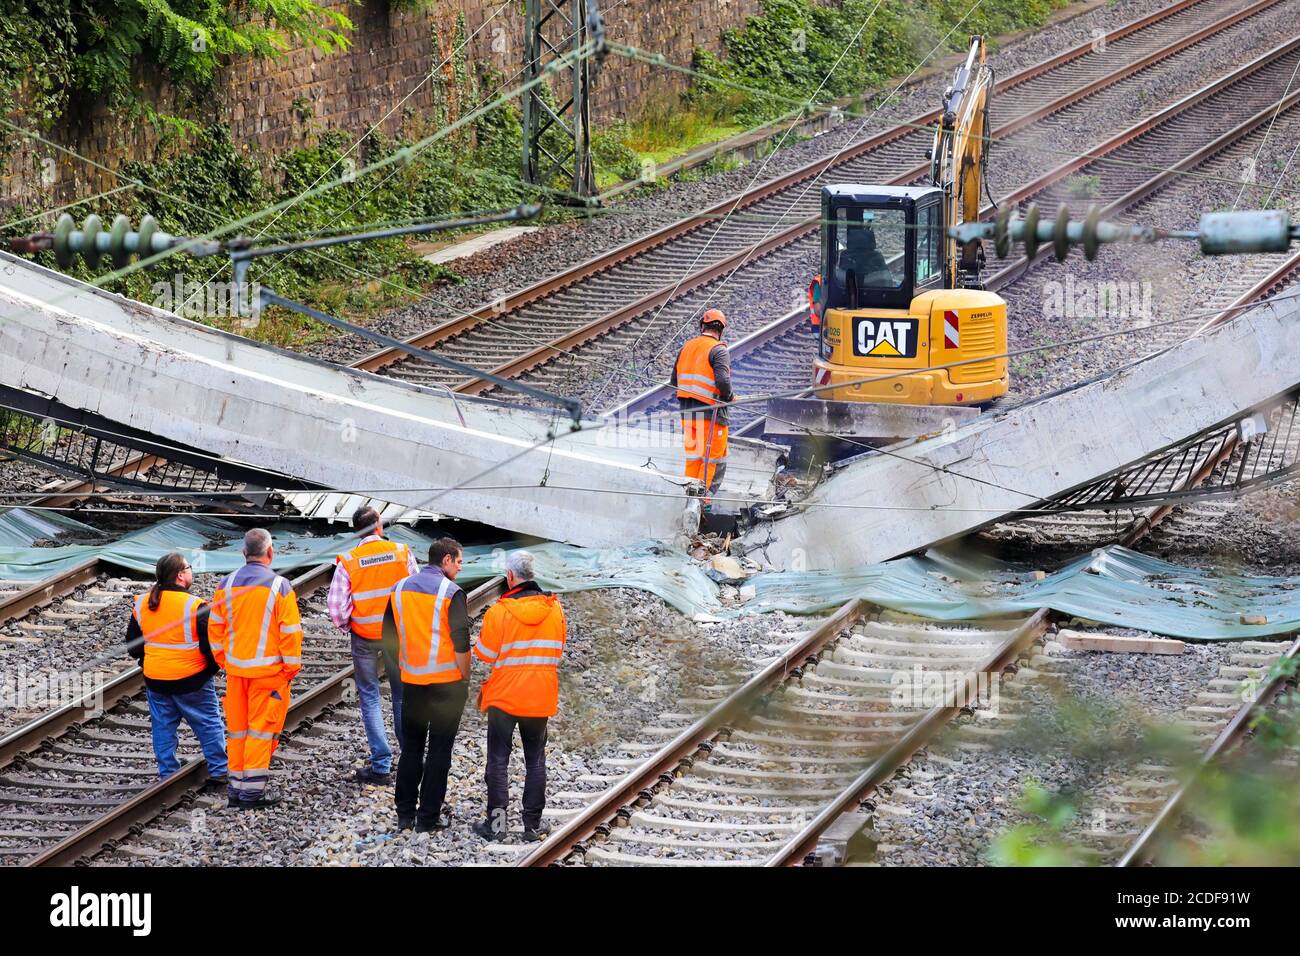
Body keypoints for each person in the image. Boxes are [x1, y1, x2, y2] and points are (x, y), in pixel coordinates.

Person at [470, 550, 565, 842]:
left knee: (498, 759)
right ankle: (532, 826)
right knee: (535, 759)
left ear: (510, 577)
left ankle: (497, 826)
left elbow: (485, 655)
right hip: (539, 696)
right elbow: (557, 651)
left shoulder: (499, 611)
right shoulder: (555, 609)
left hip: (504, 696)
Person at [209, 528, 303, 810]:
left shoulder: (225, 584)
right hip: (269, 675)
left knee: (237, 731)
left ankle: (236, 790)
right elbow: (290, 632)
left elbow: (215, 629)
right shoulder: (280, 586)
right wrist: (291, 668)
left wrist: (225, 661)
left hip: (237, 674)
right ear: (270, 553)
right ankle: (251, 794)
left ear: (244, 554)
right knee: (261, 732)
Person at [383, 536, 470, 833]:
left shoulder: (398, 589)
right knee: (439, 752)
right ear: (445, 560)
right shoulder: (452, 592)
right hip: (447, 685)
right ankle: (427, 818)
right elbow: (461, 642)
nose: (460, 567)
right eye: (458, 561)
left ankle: (404, 814)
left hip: (413, 683)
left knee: (411, 749)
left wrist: (405, 667)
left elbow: (389, 638)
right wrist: (465, 677)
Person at [328, 505, 417, 785]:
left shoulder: (349, 560)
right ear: (379, 526)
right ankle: (411, 758)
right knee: (402, 696)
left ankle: (381, 766)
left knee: (369, 697)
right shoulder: (402, 552)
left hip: (364, 637)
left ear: (357, 531)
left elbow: (337, 608)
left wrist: (349, 626)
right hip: (396, 635)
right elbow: (416, 591)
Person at [125, 552, 228, 784]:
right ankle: (220, 770)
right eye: (189, 568)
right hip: (192, 679)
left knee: (163, 726)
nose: (192, 571)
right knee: (208, 722)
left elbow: (133, 646)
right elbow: (211, 647)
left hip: (156, 679)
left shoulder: (142, 603)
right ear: (181, 576)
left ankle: (167, 773)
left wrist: (150, 662)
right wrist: (208, 671)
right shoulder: (195, 606)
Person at [669, 308, 734, 507]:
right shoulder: (718, 350)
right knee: (713, 460)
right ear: (721, 330)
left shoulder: (687, 347)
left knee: (693, 458)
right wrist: (729, 397)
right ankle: (702, 503)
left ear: (701, 326)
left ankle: (687, 500)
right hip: (711, 416)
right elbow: (723, 381)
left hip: (688, 415)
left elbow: (674, 381)